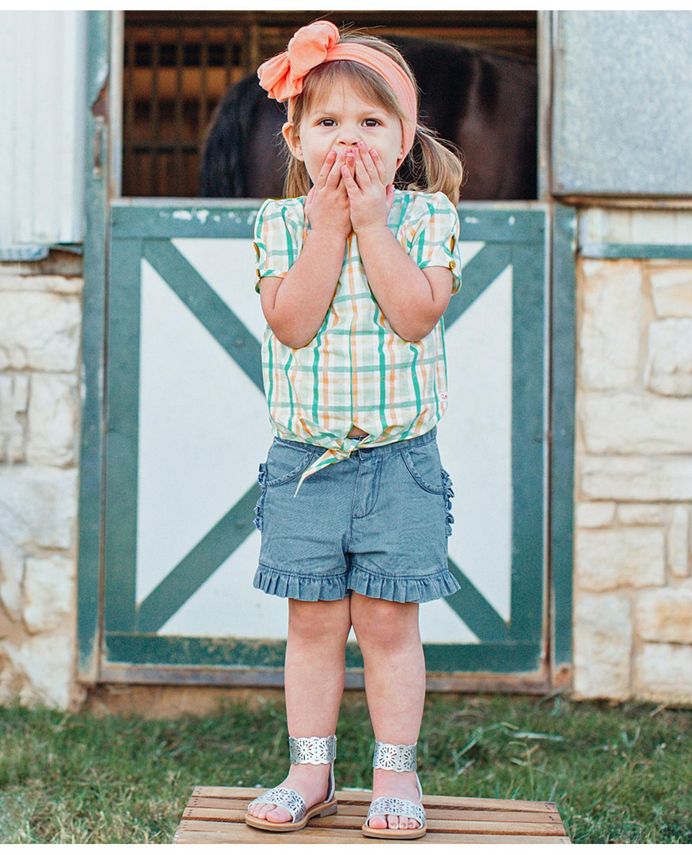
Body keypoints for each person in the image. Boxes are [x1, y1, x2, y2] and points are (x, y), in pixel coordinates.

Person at [245, 20, 463, 840]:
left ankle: (394, 776)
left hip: (401, 465)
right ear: (296, 138)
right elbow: (292, 324)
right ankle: (311, 770)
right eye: (328, 122)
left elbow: (415, 316)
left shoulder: (428, 217)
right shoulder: (278, 224)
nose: (349, 139)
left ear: (404, 140)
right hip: (305, 464)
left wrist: (372, 225)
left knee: (387, 625)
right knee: (311, 622)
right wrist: (329, 230)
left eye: (371, 123)